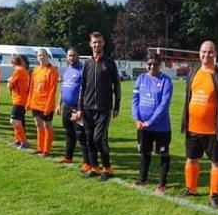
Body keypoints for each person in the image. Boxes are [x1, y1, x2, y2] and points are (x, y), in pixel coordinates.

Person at [180, 40, 218, 207]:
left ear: (215, 54)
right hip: (192, 127)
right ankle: (191, 188)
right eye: (203, 51)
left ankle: (214, 193)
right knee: (191, 159)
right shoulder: (193, 73)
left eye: (210, 52)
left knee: (216, 162)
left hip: (212, 130)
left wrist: (217, 114)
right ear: (199, 53)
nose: (206, 54)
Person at [76, 32, 121, 179]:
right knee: (89, 139)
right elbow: (82, 87)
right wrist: (80, 108)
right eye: (94, 42)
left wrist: (117, 106)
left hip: (104, 108)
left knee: (98, 139)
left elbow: (117, 85)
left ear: (103, 43)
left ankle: (107, 168)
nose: (97, 45)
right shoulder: (87, 64)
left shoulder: (109, 63)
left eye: (99, 42)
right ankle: (94, 167)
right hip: (88, 108)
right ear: (90, 44)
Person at [132, 53, 173, 193]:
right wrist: (137, 119)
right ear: (146, 65)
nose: (152, 67)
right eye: (149, 64)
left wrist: (149, 122)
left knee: (163, 153)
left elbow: (164, 106)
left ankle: (162, 184)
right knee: (145, 153)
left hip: (161, 127)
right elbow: (135, 100)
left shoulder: (166, 81)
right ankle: (142, 179)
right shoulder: (141, 78)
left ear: (160, 65)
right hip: (143, 126)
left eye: (155, 64)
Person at [57, 48, 89, 169]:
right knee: (69, 133)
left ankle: (87, 162)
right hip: (66, 107)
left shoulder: (83, 71)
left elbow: (85, 90)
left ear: (78, 56)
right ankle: (68, 157)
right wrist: (58, 105)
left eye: (73, 55)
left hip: (77, 107)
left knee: (81, 135)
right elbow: (62, 89)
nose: (71, 58)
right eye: (69, 56)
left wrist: (81, 108)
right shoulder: (67, 71)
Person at [25, 49, 59, 157]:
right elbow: (31, 87)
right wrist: (29, 101)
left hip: (46, 104)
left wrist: (49, 105)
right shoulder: (35, 70)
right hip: (35, 103)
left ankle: (47, 150)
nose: (41, 57)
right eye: (39, 55)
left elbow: (53, 90)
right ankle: (40, 148)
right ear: (37, 57)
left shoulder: (52, 70)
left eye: (43, 55)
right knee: (38, 126)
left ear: (47, 56)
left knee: (47, 126)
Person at [8, 55, 30, 149]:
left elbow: (10, 84)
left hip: (19, 100)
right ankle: (19, 140)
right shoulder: (24, 71)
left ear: (13, 63)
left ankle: (24, 142)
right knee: (19, 121)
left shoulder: (18, 71)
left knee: (14, 121)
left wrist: (9, 82)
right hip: (22, 99)